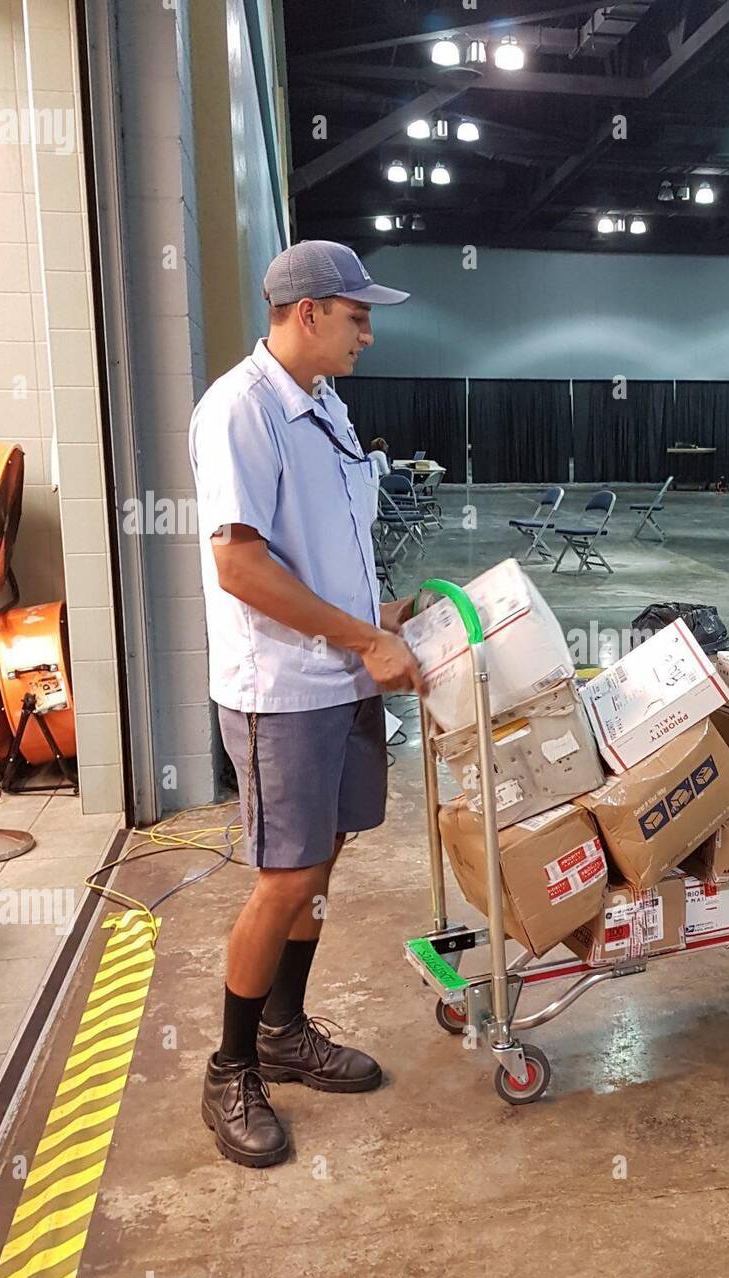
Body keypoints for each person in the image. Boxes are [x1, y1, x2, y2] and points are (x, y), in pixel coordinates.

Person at [189, 240, 424, 1166]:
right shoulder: (240, 411)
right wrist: (365, 638)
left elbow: (325, 546)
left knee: (321, 863)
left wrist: (387, 617)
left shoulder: (324, 407)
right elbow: (239, 564)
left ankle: (285, 1032)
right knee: (282, 877)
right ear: (308, 312)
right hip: (281, 691)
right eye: (358, 314)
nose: (369, 331)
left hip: (344, 678)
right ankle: (230, 1068)